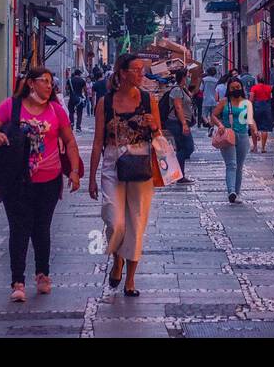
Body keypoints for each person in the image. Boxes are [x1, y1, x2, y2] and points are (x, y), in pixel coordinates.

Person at [0, 67, 83, 301]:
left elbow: (69, 141)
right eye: (45, 81)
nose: (50, 85)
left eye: (51, 82)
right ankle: (17, 281)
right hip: (16, 180)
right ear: (31, 83)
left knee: (42, 228)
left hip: (48, 179)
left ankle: (43, 275)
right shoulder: (12, 106)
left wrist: (74, 171)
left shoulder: (57, 111)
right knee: (18, 230)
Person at [89, 53, 161, 297]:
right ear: (122, 73)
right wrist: (90, 177)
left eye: (142, 69)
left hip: (140, 164)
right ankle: (117, 258)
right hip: (112, 162)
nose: (141, 74)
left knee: (136, 223)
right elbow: (98, 141)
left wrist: (153, 125)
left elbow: (159, 134)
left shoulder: (148, 99)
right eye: (136, 70)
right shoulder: (105, 103)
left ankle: (130, 278)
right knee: (115, 221)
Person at [211, 77, 258, 202]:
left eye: (238, 87)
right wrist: (220, 125)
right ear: (229, 89)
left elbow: (250, 119)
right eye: (233, 88)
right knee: (231, 164)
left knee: (239, 166)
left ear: (242, 88)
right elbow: (214, 115)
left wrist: (254, 130)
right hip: (228, 135)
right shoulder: (224, 102)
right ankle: (231, 191)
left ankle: (237, 192)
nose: (236, 90)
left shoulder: (247, 103)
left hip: (242, 135)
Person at [160, 68, 195, 184]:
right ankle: (175, 173)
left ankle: (180, 175)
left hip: (180, 122)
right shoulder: (176, 90)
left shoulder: (182, 89)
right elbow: (178, 107)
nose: (189, 78)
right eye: (188, 76)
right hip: (176, 122)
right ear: (183, 77)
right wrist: (184, 123)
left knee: (181, 148)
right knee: (188, 147)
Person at [249, 74, 273, 153]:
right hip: (266, 107)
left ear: (257, 79)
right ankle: (263, 148)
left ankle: (255, 147)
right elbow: (271, 97)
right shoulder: (269, 87)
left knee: (253, 127)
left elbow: (251, 98)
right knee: (265, 128)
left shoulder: (254, 88)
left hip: (257, 107)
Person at [66, 65, 88, 133]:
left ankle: (72, 125)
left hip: (72, 98)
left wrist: (70, 92)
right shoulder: (82, 80)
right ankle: (78, 127)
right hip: (79, 99)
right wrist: (86, 97)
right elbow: (85, 90)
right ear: (79, 74)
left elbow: (66, 89)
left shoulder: (69, 80)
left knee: (71, 112)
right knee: (79, 113)